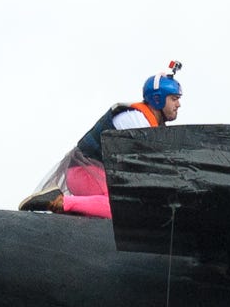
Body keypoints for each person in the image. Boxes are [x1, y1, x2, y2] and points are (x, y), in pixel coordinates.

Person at [26, 61, 181, 217]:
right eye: (174, 99)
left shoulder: (149, 123)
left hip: (91, 173)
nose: (178, 104)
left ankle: (73, 211)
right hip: (85, 171)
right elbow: (156, 163)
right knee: (122, 207)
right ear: (158, 98)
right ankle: (59, 202)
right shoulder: (138, 120)